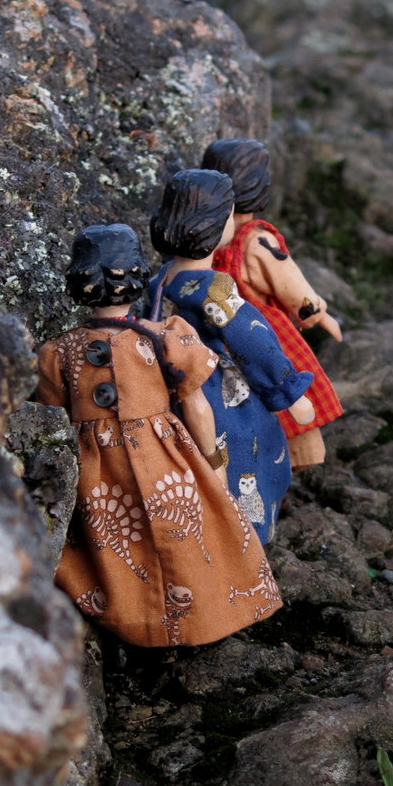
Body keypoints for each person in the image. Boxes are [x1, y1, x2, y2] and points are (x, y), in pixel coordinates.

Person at [35, 223, 282, 647]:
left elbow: (51, 420)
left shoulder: (59, 353)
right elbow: (197, 405)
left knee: (113, 542)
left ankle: (140, 625)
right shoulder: (165, 337)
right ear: (134, 276)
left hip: (97, 467)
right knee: (188, 533)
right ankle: (191, 621)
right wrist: (212, 459)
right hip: (166, 457)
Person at [149, 169, 314, 543]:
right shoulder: (216, 289)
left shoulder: (159, 279)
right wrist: (288, 392)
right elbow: (253, 341)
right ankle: (247, 541)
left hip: (171, 391)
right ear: (214, 225)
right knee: (245, 461)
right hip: (219, 392)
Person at [202, 138, 344, 469]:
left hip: (222, 332)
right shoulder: (256, 240)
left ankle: (268, 463)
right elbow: (291, 285)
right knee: (284, 387)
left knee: (246, 400)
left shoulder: (210, 239)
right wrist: (318, 313)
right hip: (261, 328)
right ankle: (291, 460)